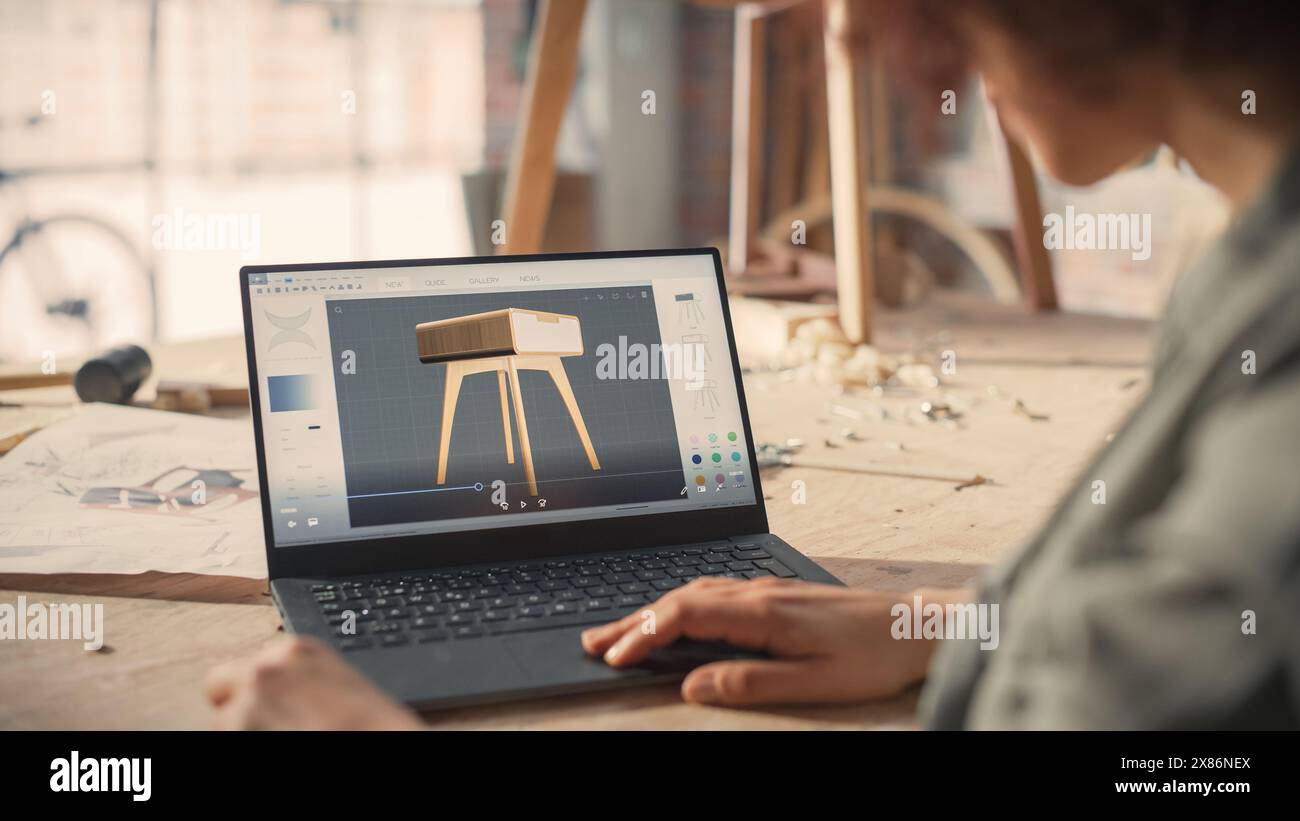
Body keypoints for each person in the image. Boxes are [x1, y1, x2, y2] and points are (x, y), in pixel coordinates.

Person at [206, 0, 1300, 729]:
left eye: (954, 19)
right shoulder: (1252, 261)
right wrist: (945, 622)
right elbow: (1180, 623)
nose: (944, 67)